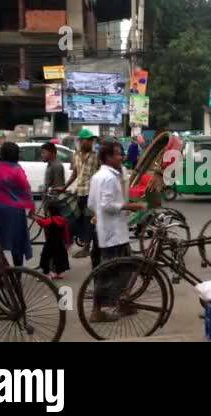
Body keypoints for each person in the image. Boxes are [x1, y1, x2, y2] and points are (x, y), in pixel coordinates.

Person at [87, 140, 146, 323]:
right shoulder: (110, 178)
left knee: (121, 269)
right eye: (118, 154)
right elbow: (106, 205)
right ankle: (100, 310)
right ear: (108, 157)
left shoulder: (99, 176)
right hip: (114, 234)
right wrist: (130, 206)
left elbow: (91, 204)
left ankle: (123, 304)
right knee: (114, 273)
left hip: (109, 231)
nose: (121, 157)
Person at [0, 142, 35, 267]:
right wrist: (32, 207)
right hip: (13, 210)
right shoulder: (16, 169)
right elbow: (26, 189)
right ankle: (17, 275)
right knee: (17, 243)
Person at [60, 129, 100, 258]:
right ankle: (81, 244)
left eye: (91, 140)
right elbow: (75, 173)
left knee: (89, 221)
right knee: (79, 220)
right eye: (88, 140)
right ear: (81, 141)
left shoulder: (96, 155)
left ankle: (87, 248)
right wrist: (64, 187)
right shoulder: (75, 155)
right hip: (80, 192)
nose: (90, 142)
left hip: (92, 193)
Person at [34, 200, 71, 280]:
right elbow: (66, 233)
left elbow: (42, 222)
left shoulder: (50, 220)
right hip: (60, 243)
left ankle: (47, 274)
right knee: (60, 257)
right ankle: (59, 273)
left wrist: (34, 216)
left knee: (45, 257)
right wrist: (67, 243)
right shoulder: (63, 220)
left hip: (50, 243)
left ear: (50, 211)